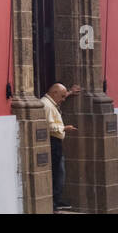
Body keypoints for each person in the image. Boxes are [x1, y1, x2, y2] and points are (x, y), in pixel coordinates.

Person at [40, 82, 81, 211]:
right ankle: (55, 201)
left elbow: (59, 95)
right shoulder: (47, 106)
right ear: (54, 93)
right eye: (62, 96)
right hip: (53, 141)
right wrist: (64, 128)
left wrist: (69, 93)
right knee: (57, 172)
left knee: (59, 171)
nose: (63, 99)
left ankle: (56, 200)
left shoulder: (51, 102)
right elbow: (48, 126)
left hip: (56, 142)